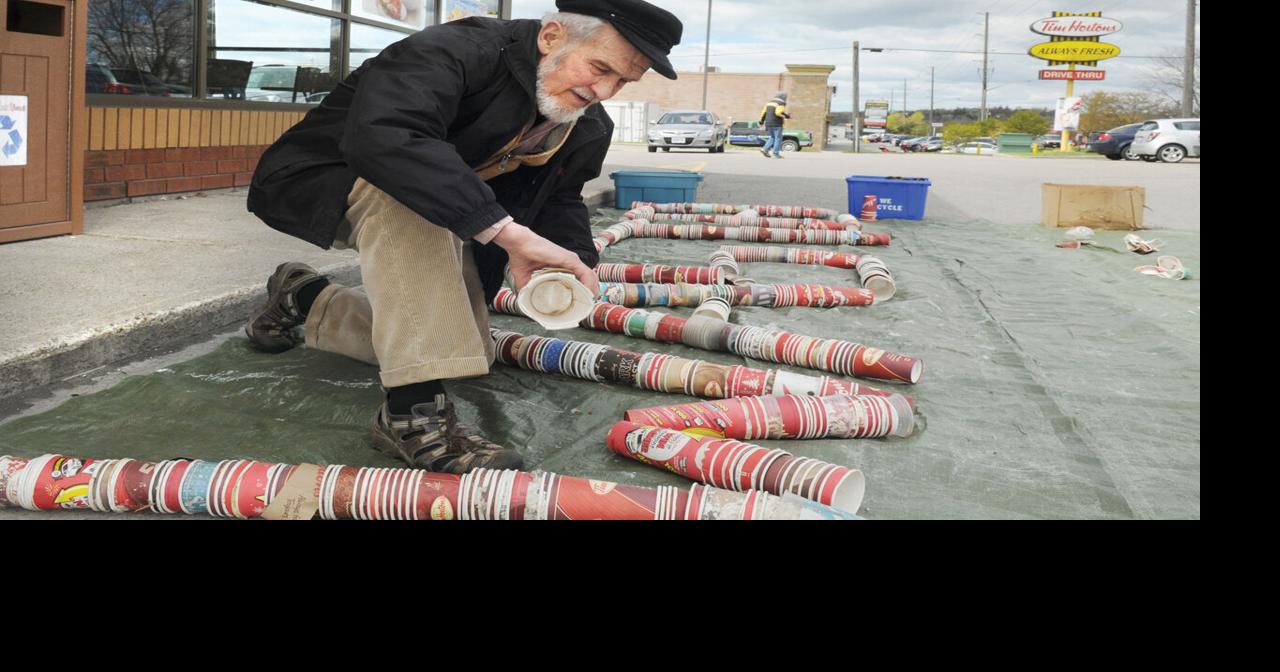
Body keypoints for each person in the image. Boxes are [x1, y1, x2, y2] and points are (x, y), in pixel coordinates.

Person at [242, 0, 683, 474]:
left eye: (621, 81)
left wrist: (570, 260)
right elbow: (388, 138)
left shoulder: (587, 123)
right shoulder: (454, 50)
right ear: (552, 37)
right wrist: (507, 234)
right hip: (325, 177)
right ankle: (410, 414)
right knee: (413, 200)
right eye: (599, 68)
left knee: (460, 347)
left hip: (445, 210)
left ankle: (305, 297)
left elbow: (561, 198)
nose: (604, 91)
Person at [758, 92, 790, 158]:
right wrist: (787, 116)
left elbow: (763, 113)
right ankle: (776, 153)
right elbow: (778, 113)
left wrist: (761, 122)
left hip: (768, 123)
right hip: (777, 123)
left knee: (773, 137)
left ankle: (765, 149)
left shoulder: (769, 103)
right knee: (778, 138)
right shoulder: (781, 103)